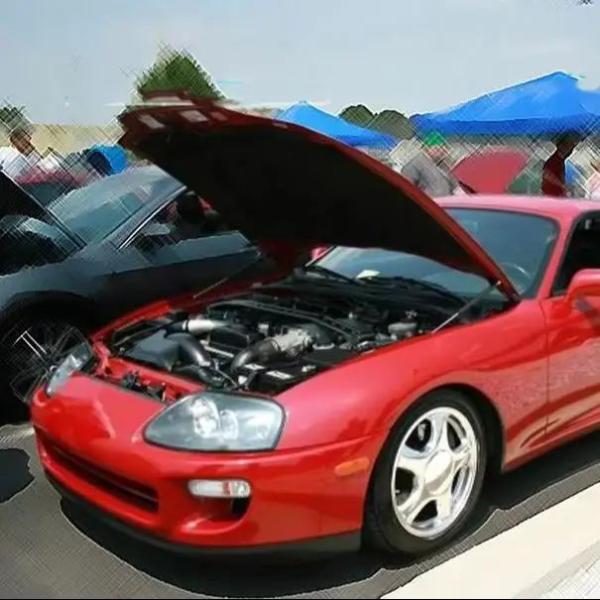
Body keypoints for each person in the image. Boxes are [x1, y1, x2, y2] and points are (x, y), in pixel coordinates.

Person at [401, 132, 458, 197]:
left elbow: (454, 185)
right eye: (437, 148)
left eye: (443, 148)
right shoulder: (415, 164)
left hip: (448, 201)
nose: (442, 151)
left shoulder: (444, 164)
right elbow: (406, 187)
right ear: (427, 148)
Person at [541, 133, 581, 197]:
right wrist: (561, 185)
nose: (571, 150)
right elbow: (547, 174)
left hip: (556, 194)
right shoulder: (553, 160)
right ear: (561, 146)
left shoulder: (560, 160)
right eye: (569, 146)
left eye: (571, 147)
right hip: (551, 194)